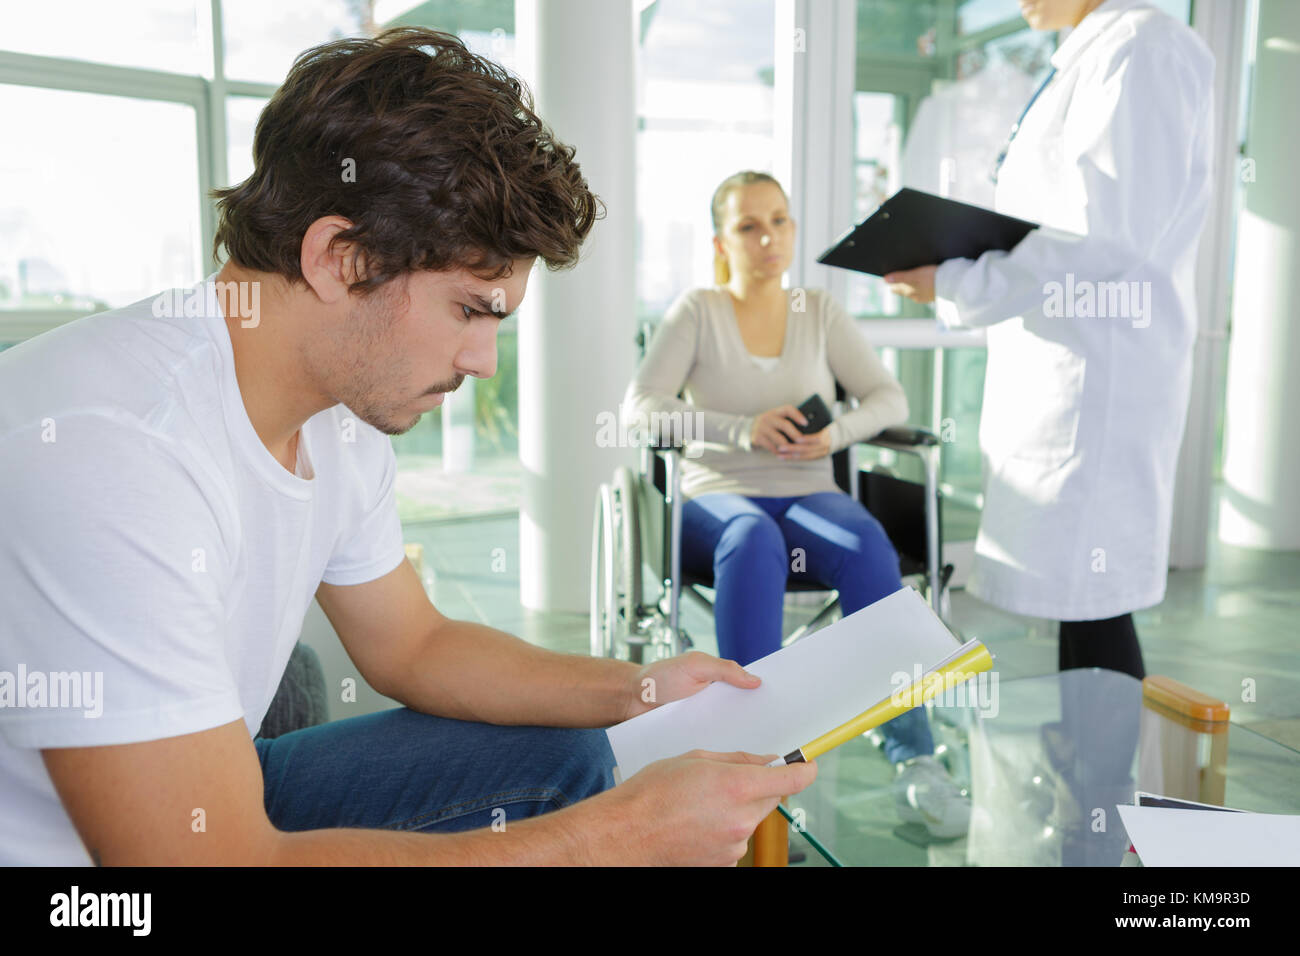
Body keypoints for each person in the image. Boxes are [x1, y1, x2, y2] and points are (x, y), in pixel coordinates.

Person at [0, 29, 816, 867]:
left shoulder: (339, 417)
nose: (483, 361)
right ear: (337, 258)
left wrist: (637, 690)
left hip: (212, 790)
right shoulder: (114, 455)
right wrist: (616, 836)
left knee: (575, 756)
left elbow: (412, 645)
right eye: (470, 310)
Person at [624, 171, 969, 839]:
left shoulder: (820, 311)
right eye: (749, 225)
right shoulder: (697, 311)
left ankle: (916, 759)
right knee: (753, 539)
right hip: (717, 498)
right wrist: (738, 428)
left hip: (808, 489)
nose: (768, 237)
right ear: (722, 241)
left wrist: (833, 434)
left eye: (780, 221)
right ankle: (755, 771)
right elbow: (639, 409)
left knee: (867, 544)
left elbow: (886, 398)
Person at [884, 0, 1214, 680]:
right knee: (1083, 604)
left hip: (1100, 381)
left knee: (1096, 601)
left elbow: (1102, 239)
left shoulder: (1142, 48)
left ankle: (1095, 778)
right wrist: (956, 274)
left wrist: (955, 279)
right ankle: (1082, 767)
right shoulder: (1089, 54)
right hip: (1065, 364)